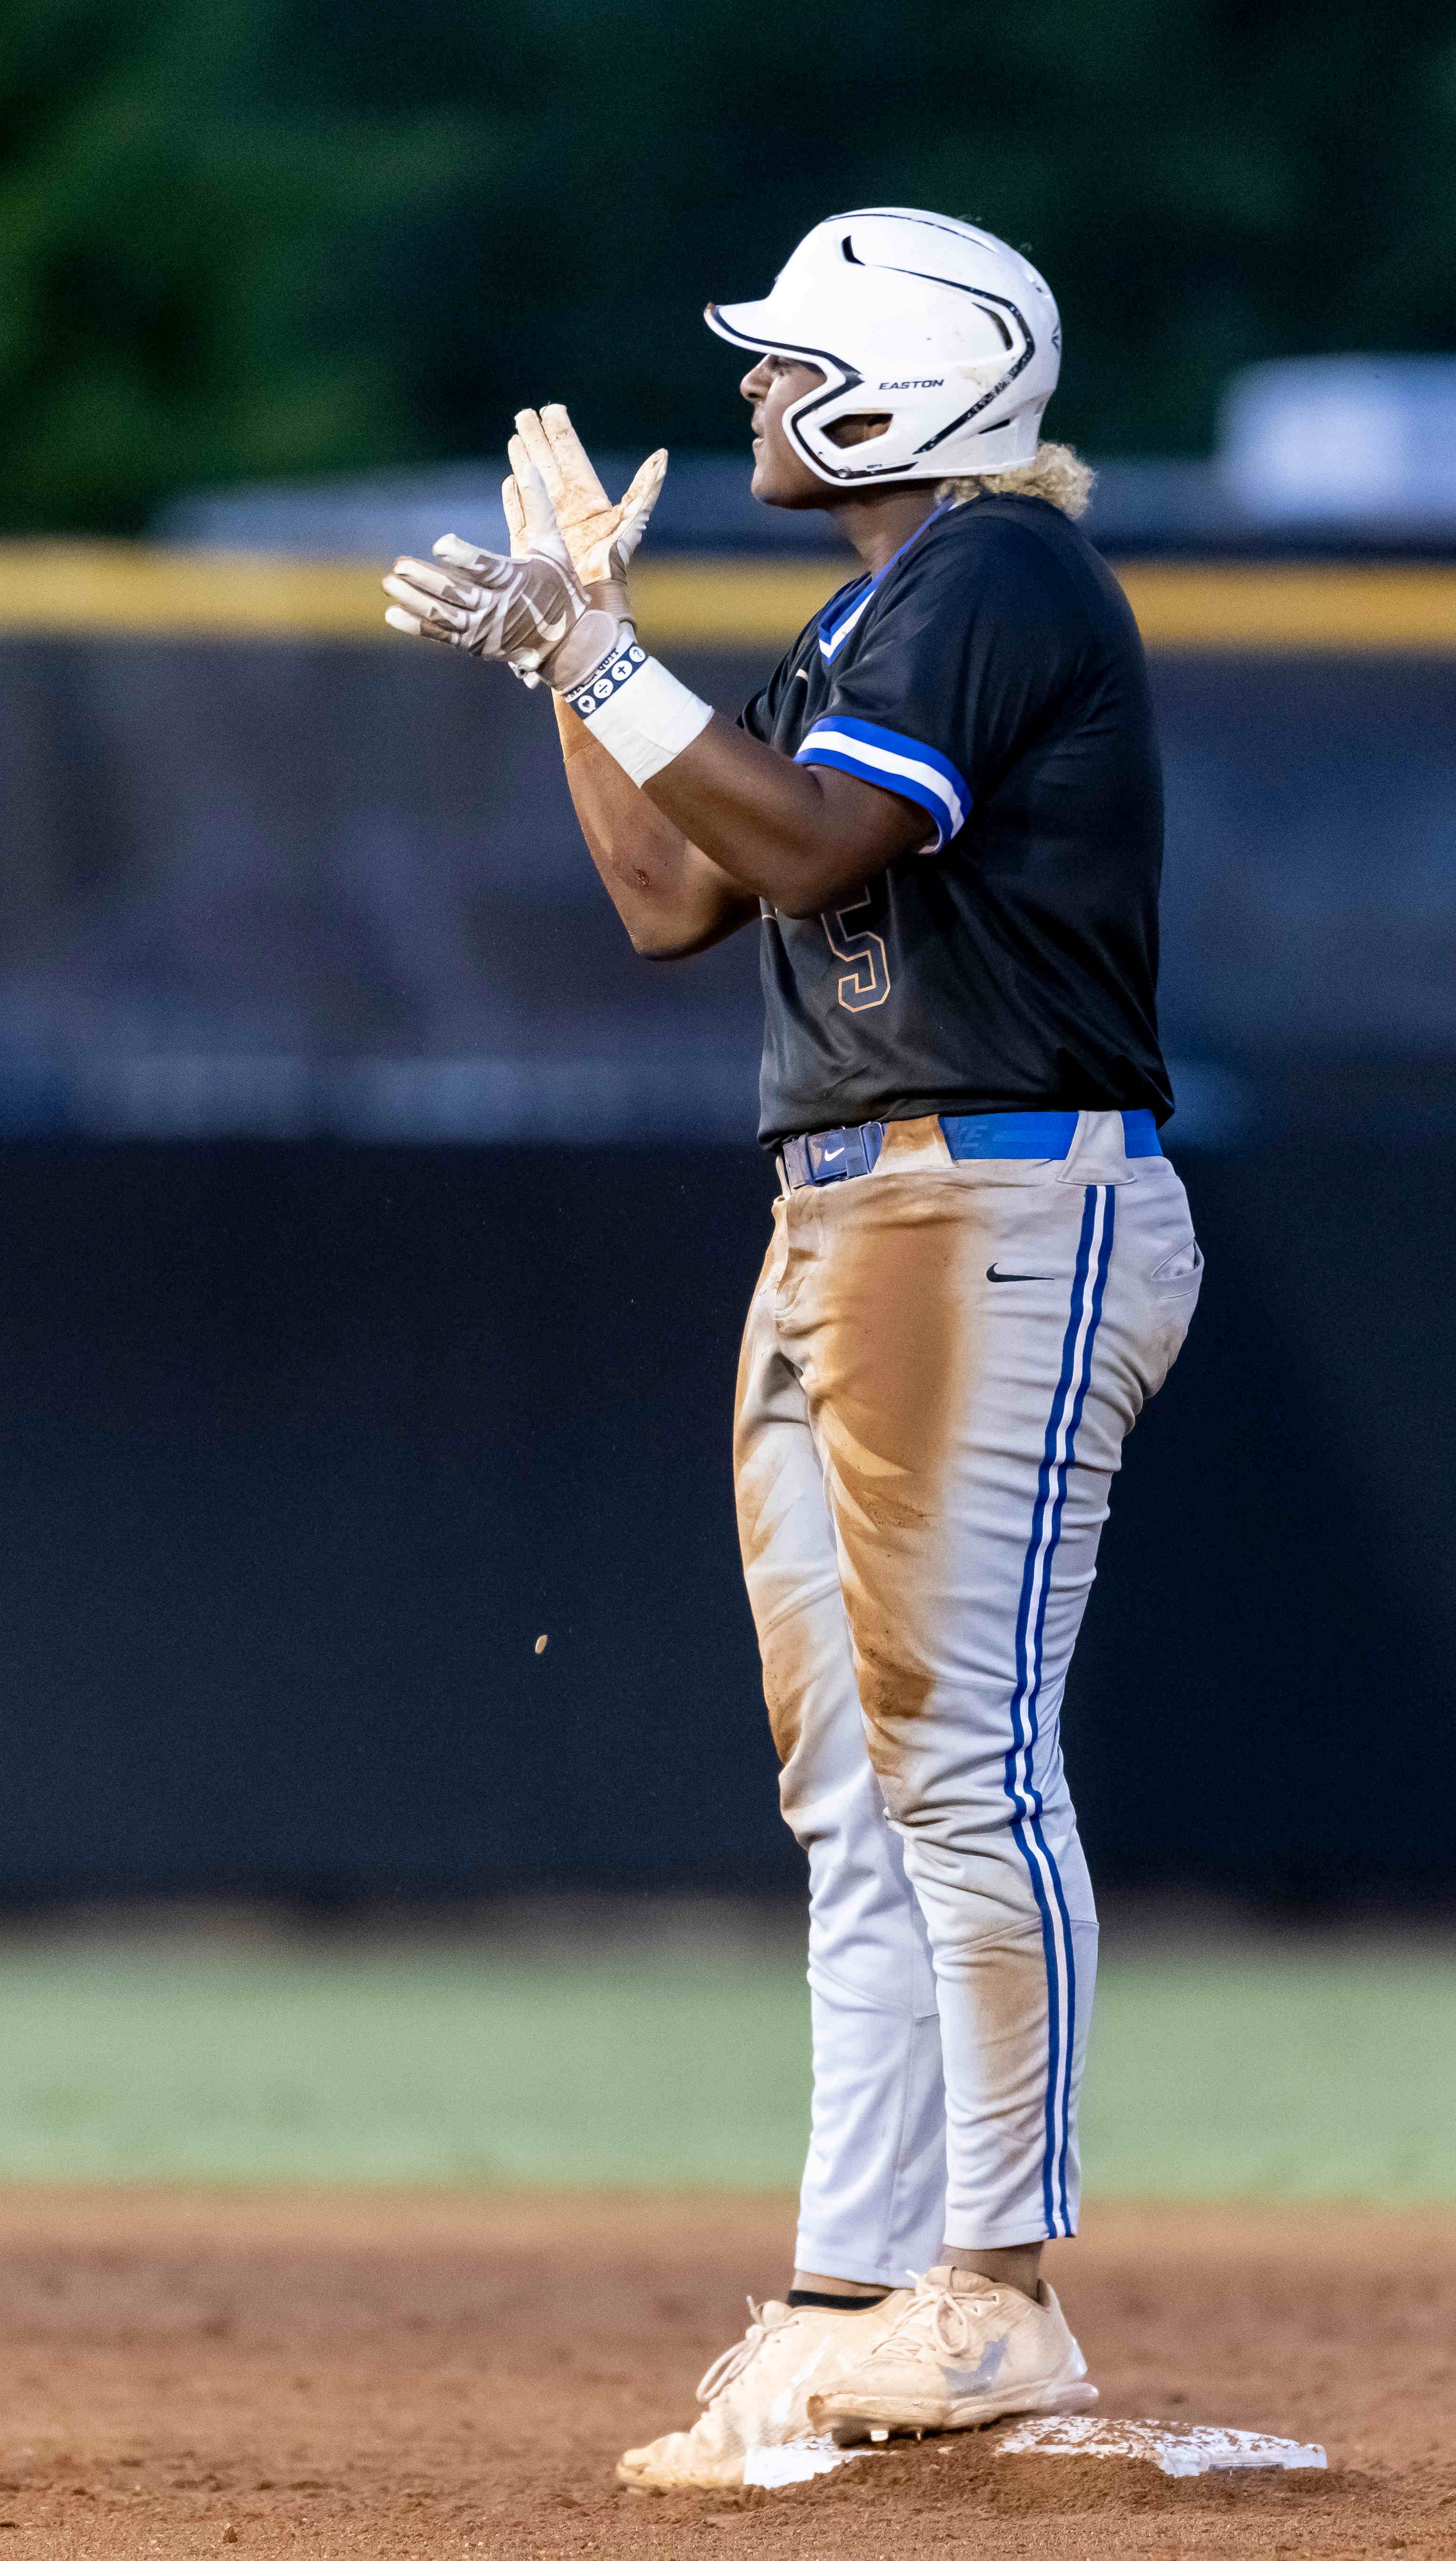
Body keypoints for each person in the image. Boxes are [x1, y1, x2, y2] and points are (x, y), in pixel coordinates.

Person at [381, 207, 1202, 2490]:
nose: (753, 388)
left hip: (998, 1195)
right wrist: (585, 659)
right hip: (851, 1201)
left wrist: (603, 651)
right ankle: (850, 2305)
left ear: (907, 383)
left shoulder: (996, 573)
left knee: (959, 1765)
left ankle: (998, 2294)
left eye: (789, 358)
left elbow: (829, 847)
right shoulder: (872, 606)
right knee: (851, 1788)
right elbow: (675, 893)